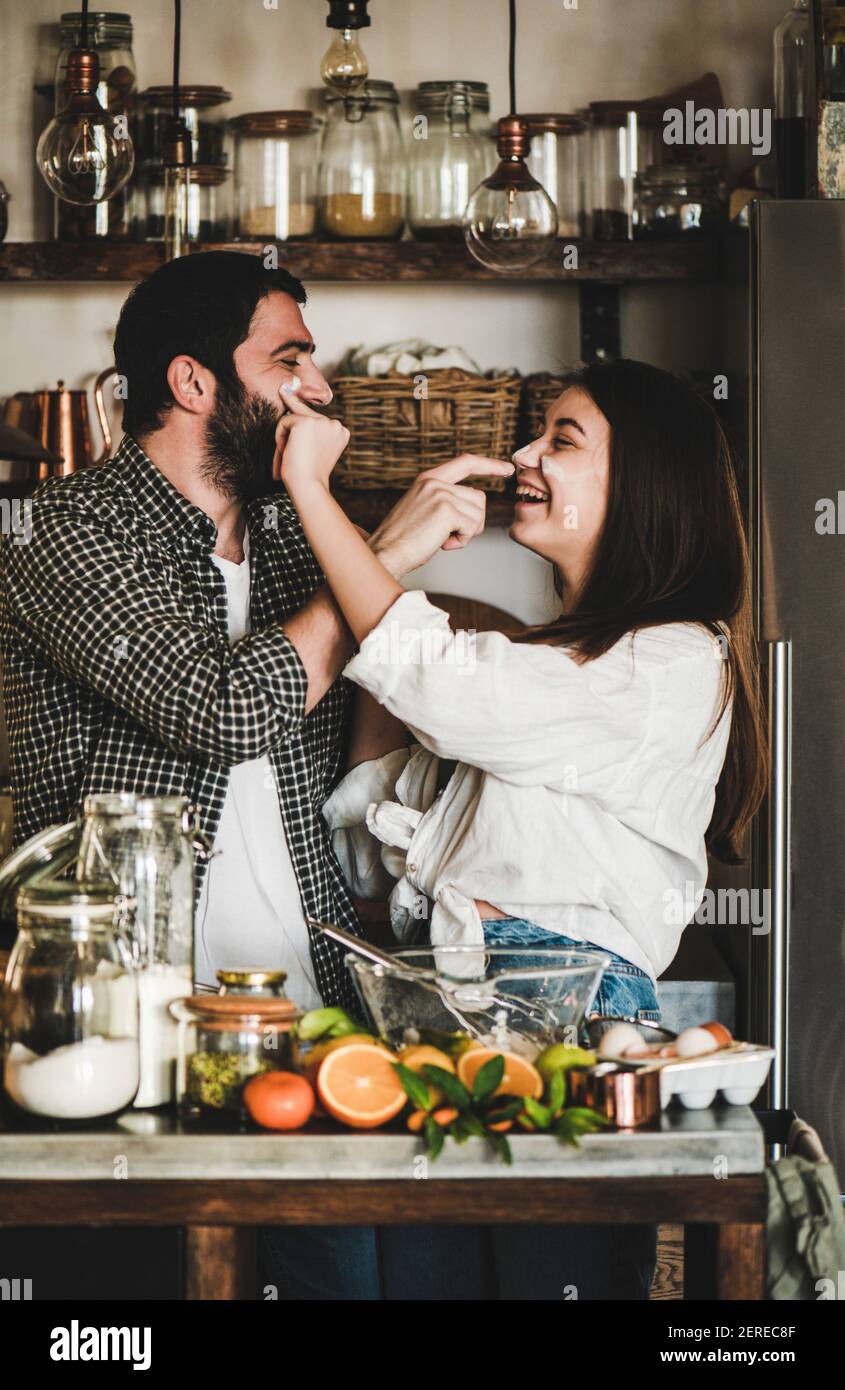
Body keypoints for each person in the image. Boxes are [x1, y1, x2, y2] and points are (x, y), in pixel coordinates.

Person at [0, 249, 496, 1300]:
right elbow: (223, 709)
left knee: (365, 1282)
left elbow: (378, 694)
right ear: (193, 382)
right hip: (128, 1028)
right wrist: (387, 549)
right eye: (291, 360)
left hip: (310, 1009)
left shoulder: (292, 532)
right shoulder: (64, 532)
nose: (319, 389)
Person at [273, 358, 768, 1299]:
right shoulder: (545, 669)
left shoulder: (673, 658)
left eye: (562, 440)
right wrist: (398, 643)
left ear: (645, 484)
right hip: (450, 1012)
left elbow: (441, 686)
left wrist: (312, 492)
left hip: (565, 1021)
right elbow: (376, 822)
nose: (522, 454)